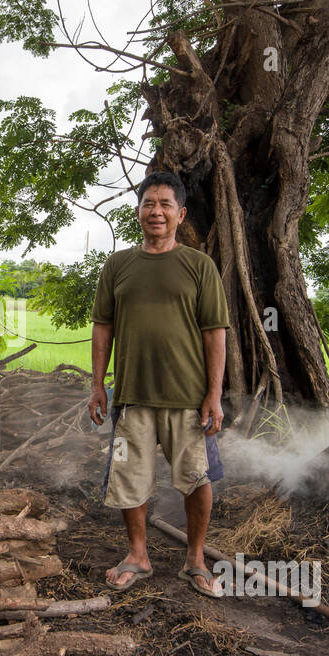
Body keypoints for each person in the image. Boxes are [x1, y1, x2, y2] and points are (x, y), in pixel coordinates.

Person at [88, 170, 229, 598]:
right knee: (129, 476)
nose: (156, 212)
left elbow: (215, 333)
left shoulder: (199, 266)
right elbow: (102, 327)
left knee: (196, 477)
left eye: (166, 204)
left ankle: (196, 559)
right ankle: (138, 555)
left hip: (189, 398)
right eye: (149, 204)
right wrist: (98, 385)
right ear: (138, 213)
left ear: (180, 214)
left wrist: (214, 394)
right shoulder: (118, 265)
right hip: (132, 396)